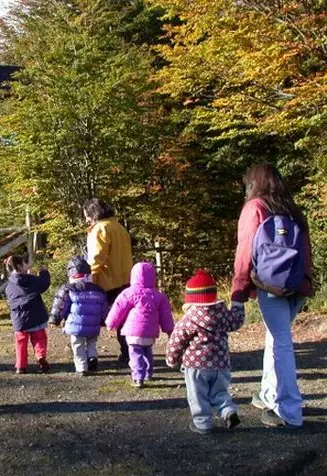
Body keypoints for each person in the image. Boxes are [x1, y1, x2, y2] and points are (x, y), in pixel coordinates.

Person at [231, 162, 314, 429]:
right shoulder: (291, 208)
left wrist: (238, 291)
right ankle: (269, 394)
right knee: (276, 338)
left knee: (281, 344)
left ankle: (288, 411)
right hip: (295, 285)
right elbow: (306, 249)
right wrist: (306, 281)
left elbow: (245, 251)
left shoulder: (255, 207)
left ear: (253, 182)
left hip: (270, 286)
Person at [166, 270, 245, 434]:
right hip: (221, 364)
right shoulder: (222, 314)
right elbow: (237, 321)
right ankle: (228, 411)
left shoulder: (189, 319)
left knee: (197, 395)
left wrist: (172, 359)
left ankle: (202, 423)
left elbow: (176, 340)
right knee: (219, 392)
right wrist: (237, 302)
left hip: (196, 366)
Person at [105, 262, 174, 387]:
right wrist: (169, 330)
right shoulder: (159, 296)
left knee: (135, 353)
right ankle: (148, 373)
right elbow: (166, 315)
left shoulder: (128, 293)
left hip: (133, 332)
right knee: (147, 352)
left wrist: (111, 323)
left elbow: (118, 308)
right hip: (150, 332)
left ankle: (138, 377)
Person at [83, 198, 133, 365]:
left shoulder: (100, 229)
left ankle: (88, 355)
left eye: (86, 216)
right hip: (125, 278)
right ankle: (128, 352)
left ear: (92, 213)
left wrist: (88, 278)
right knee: (124, 318)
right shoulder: (119, 227)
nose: (86, 220)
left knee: (90, 317)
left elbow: (96, 258)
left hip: (106, 281)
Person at [49, 256, 108, 376]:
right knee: (91, 341)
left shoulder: (68, 289)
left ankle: (81, 367)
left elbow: (60, 306)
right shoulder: (99, 290)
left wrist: (55, 319)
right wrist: (104, 320)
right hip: (93, 324)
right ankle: (92, 358)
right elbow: (104, 308)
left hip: (76, 326)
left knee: (78, 345)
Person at [4, 255, 51, 374]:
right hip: (36, 315)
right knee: (39, 338)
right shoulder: (30, 279)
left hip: (19, 319)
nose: (27, 265)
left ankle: (21, 366)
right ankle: (40, 356)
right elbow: (43, 284)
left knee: (20, 342)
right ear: (20, 266)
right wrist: (44, 272)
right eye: (25, 263)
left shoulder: (9, 285)